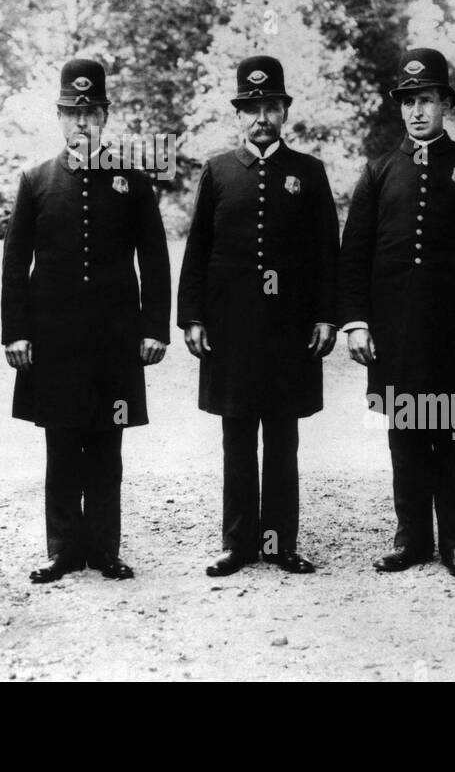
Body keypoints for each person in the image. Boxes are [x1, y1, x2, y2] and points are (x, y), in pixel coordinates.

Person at [337, 48, 455, 579]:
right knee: (407, 434)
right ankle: (412, 539)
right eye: (409, 101)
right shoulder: (378, 172)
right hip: (398, 335)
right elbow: (355, 253)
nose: (417, 111)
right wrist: (357, 322)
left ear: (446, 103)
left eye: (427, 99)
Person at [2, 58, 170, 583]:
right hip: (53, 342)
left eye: (90, 112)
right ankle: (62, 549)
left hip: (114, 341)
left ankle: (103, 547)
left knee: (107, 443)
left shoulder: (132, 178)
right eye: (71, 112)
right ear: (58, 117)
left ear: (104, 116)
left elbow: (155, 258)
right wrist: (16, 332)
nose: (81, 122)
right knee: (60, 444)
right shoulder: (35, 181)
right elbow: (14, 262)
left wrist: (154, 328)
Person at [177, 56, 340, 577]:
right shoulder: (219, 170)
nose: (261, 118)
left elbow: (326, 254)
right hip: (232, 330)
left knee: (284, 437)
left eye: (271, 106)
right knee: (237, 437)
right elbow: (197, 248)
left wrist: (325, 316)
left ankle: (279, 542)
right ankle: (238, 543)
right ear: (239, 115)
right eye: (252, 108)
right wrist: (193, 318)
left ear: (285, 111)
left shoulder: (308, 172)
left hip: (290, 331)